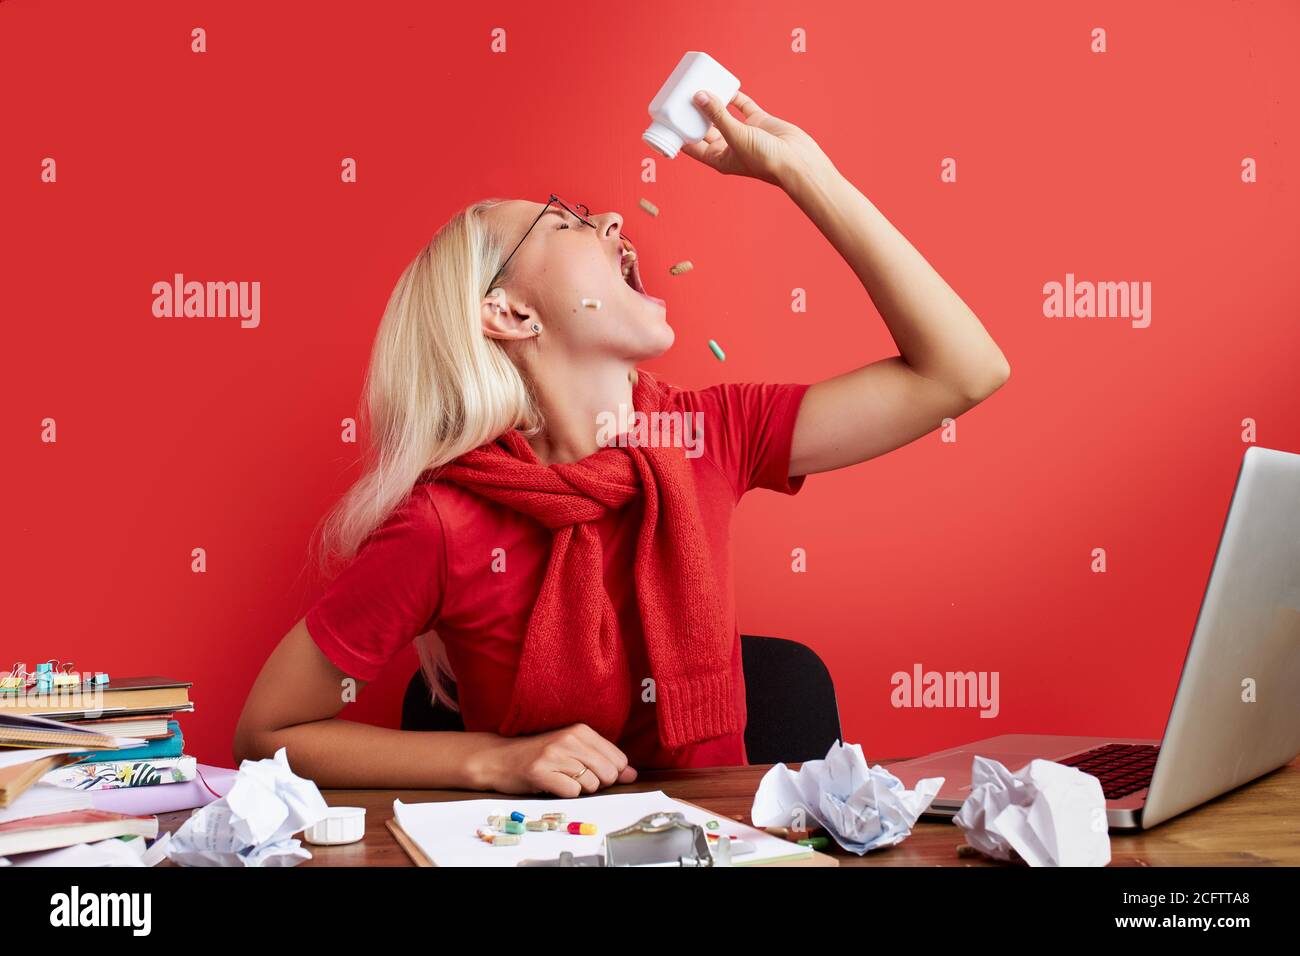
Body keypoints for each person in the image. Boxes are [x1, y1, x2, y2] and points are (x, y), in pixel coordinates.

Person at [234, 89, 1010, 796]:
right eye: (566, 222)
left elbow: (963, 372)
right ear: (509, 315)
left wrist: (803, 172)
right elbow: (268, 733)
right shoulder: (443, 523)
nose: (611, 221)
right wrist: (492, 760)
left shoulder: (710, 437)